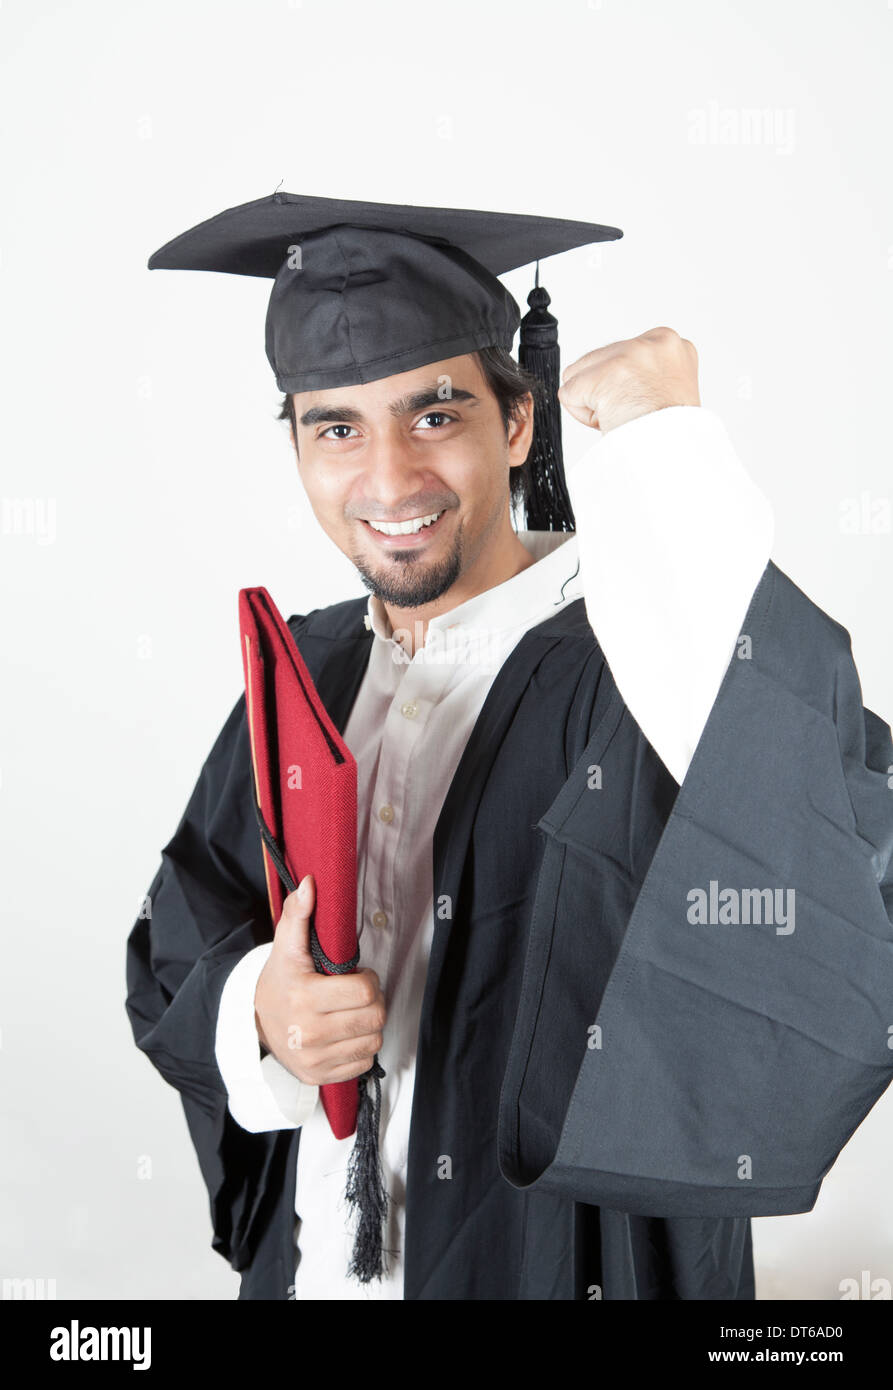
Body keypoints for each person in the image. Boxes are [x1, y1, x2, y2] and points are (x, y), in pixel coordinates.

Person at [126, 192, 893, 1301]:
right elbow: (176, 927)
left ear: (518, 420)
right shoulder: (307, 668)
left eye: (434, 414)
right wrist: (259, 1009)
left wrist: (668, 454)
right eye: (334, 426)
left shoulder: (637, 660)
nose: (386, 480)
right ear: (294, 443)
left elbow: (831, 843)